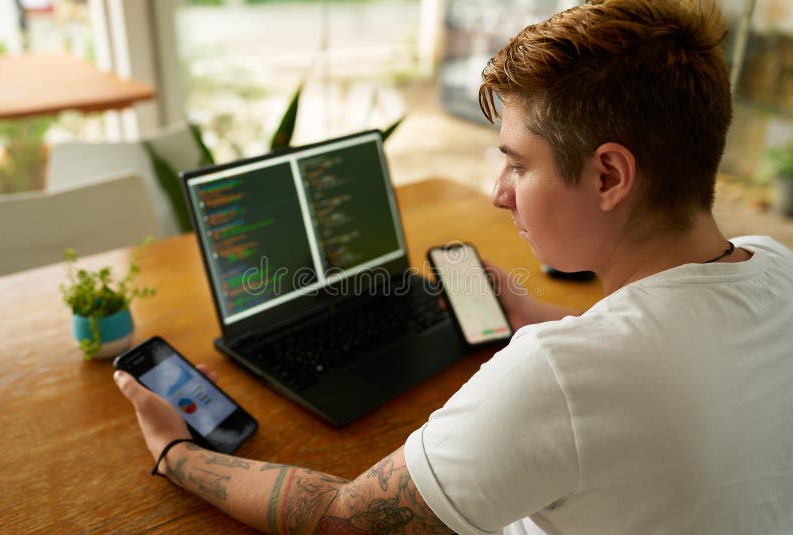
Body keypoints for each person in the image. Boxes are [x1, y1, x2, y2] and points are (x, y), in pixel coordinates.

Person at [114, 0, 793, 533]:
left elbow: (342, 517)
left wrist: (178, 453)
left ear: (610, 175)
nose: (500, 192)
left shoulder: (557, 377)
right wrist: (541, 313)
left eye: (519, 163)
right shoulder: (775, 267)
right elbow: (669, 350)